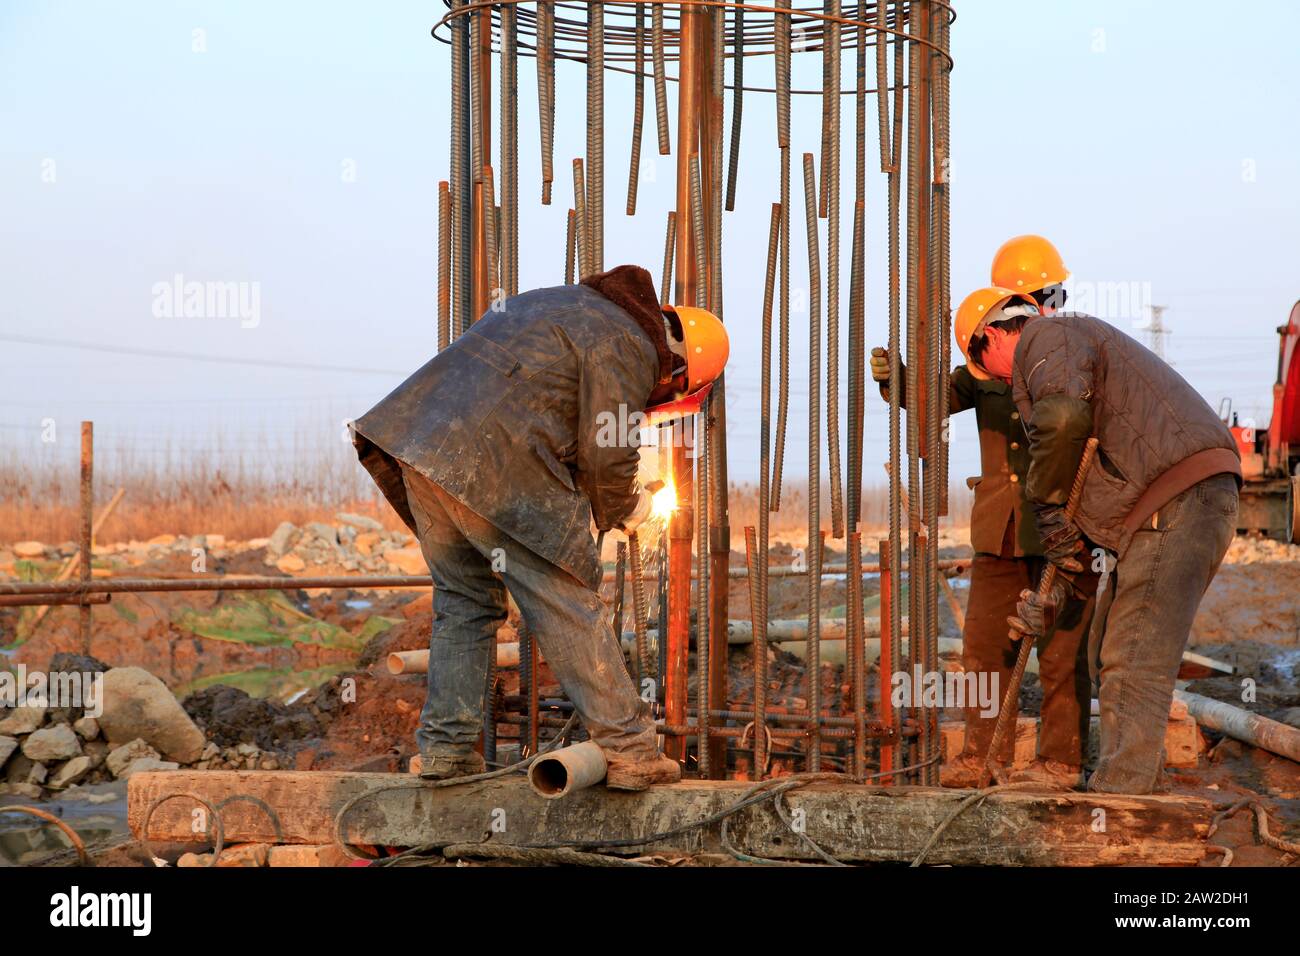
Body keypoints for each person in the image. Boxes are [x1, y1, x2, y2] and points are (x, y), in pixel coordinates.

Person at [351, 264, 729, 790]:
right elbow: (606, 452)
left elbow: (537, 401)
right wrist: (630, 508)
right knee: (568, 599)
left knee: (466, 602)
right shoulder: (629, 342)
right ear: (684, 367)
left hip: (420, 446)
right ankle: (630, 750)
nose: (658, 398)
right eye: (670, 393)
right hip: (492, 464)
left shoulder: (568, 306)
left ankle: (446, 753)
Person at [873, 267, 1097, 789]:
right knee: (984, 647)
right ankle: (982, 756)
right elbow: (934, 400)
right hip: (1004, 528)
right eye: (1033, 299)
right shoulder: (985, 363)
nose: (1043, 307)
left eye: (1048, 297)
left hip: (1067, 529)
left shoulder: (1076, 358)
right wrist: (898, 380)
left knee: (1063, 651)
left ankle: (1060, 761)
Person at [1005, 310, 1241, 793]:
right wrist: (1047, 602)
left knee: (1133, 656)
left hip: (1179, 500)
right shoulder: (1086, 408)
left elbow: (1065, 416)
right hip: (1168, 507)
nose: (999, 381)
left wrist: (1045, 503)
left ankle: (1121, 805)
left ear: (990, 335)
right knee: (1105, 649)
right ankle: (1137, 784)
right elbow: (1082, 544)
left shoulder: (1046, 336)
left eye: (982, 363)